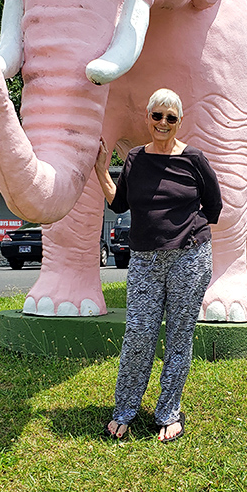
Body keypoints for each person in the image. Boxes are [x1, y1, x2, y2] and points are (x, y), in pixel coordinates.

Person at [94, 89, 222, 442]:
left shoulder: (194, 159)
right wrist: (102, 170)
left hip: (189, 257)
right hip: (145, 260)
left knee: (180, 335)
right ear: (147, 118)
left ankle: (168, 412)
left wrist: (183, 232)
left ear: (180, 122)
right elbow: (119, 204)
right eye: (157, 116)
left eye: (171, 117)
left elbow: (214, 207)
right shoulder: (135, 158)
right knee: (139, 333)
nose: (163, 123)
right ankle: (124, 410)